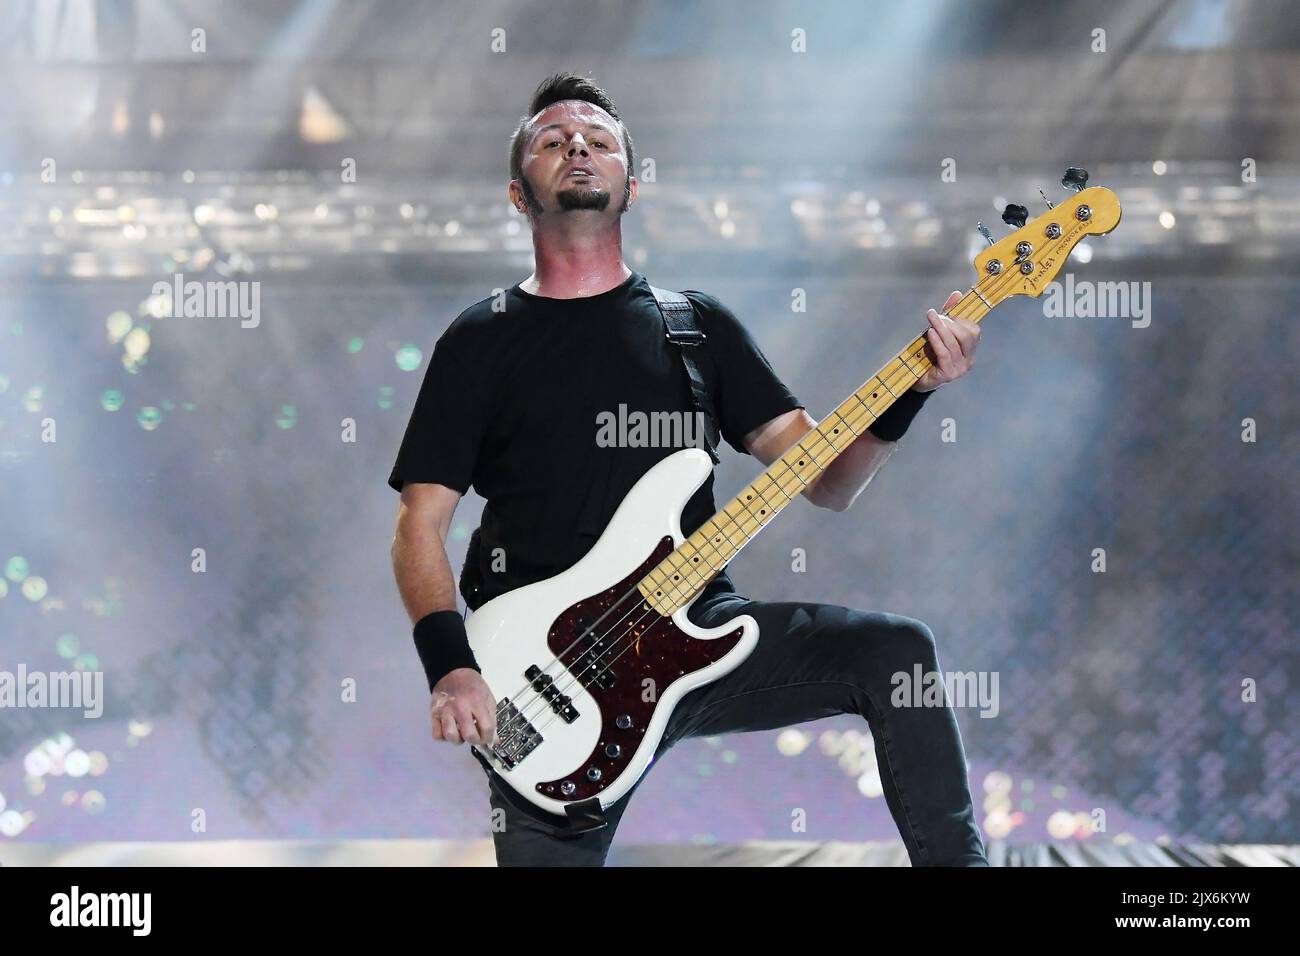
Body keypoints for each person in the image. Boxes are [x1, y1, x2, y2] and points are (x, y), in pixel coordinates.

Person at [389, 73, 987, 867]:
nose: (577, 146)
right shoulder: (478, 340)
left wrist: (910, 391)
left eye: (599, 140)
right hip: (547, 682)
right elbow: (418, 525)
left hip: (701, 637)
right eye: (553, 140)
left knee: (896, 653)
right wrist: (451, 666)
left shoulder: (695, 328)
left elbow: (827, 480)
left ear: (630, 185)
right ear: (516, 191)